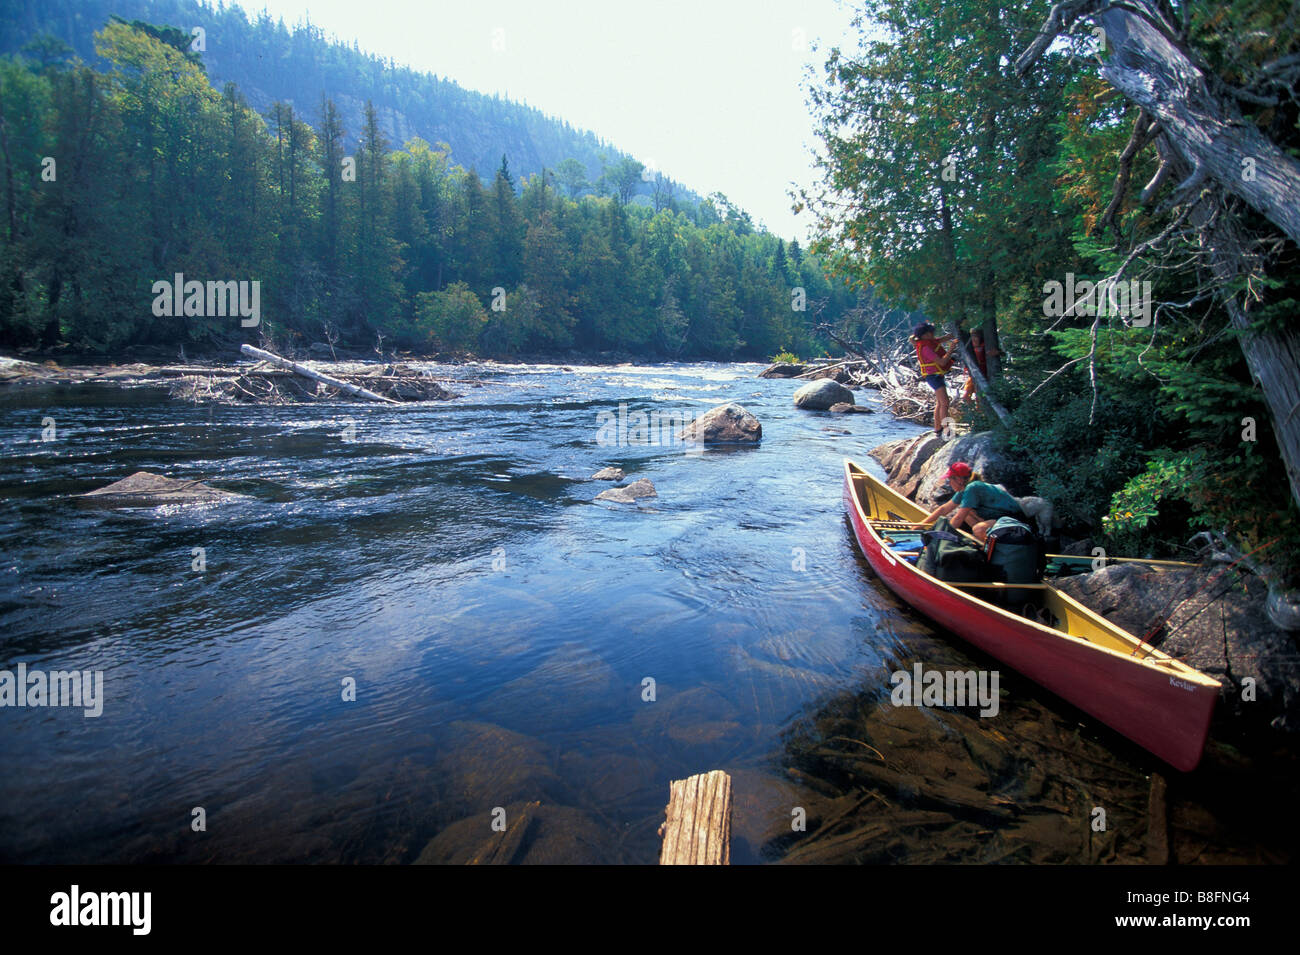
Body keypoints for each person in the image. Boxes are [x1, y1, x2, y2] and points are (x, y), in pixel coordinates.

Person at [916, 461, 1025, 543]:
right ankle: (979, 541)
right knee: (967, 513)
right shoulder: (965, 488)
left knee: (977, 528)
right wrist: (919, 525)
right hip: (998, 517)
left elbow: (958, 519)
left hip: (1013, 520)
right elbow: (944, 509)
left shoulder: (972, 488)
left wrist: (939, 538)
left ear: (958, 479)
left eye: (950, 479)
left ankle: (985, 552)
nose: (949, 483)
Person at [910, 322, 957, 437]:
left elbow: (944, 338)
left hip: (936, 376)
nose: (933, 334)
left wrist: (956, 333)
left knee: (940, 402)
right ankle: (946, 430)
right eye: (930, 333)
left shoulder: (929, 342)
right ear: (924, 335)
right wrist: (951, 348)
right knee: (945, 402)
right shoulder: (925, 348)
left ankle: (937, 428)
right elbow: (942, 362)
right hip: (933, 377)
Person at [955, 328, 998, 409]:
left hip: (982, 375)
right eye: (972, 337)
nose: (974, 339)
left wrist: (997, 353)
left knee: (980, 398)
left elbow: (1000, 353)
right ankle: (973, 413)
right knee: (966, 396)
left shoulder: (984, 347)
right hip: (972, 376)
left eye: (976, 336)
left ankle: (981, 415)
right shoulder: (969, 348)